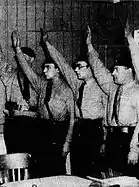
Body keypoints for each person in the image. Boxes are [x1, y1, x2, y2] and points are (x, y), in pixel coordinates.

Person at [40, 29, 107, 178]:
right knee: (78, 171)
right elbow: (61, 63)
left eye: (80, 66)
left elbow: (106, 117)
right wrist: (47, 44)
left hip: (94, 131)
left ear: (91, 69)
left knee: (92, 173)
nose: (76, 70)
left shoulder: (102, 87)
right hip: (79, 129)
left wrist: (104, 141)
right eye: (76, 67)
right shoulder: (77, 84)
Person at [13, 31, 75, 177]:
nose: (44, 70)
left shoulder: (67, 91)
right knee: (39, 169)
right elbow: (28, 71)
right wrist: (17, 50)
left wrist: (67, 142)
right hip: (42, 130)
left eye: (48, 68)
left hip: (59, 132)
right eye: (44, 67)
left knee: (56, 170)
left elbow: (72, 120)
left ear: (58, 70)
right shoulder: (42, 85)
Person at [86, 25, 139, 180]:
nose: (113, 73)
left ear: (129, 70)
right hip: (113, 139)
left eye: (117, 70)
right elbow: (98, 70)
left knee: (129, 179)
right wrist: (89, 47)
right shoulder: (113, 87)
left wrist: (134, 149)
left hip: (129, 139)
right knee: (111, 178)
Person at [0, 11, 39, 155]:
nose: (20, 61)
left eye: (24, 58)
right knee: (14, 163)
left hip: (33, 125)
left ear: (31, 60)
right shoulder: (10, 75)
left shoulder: (39, 80)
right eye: (19, 58)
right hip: (14, 125)